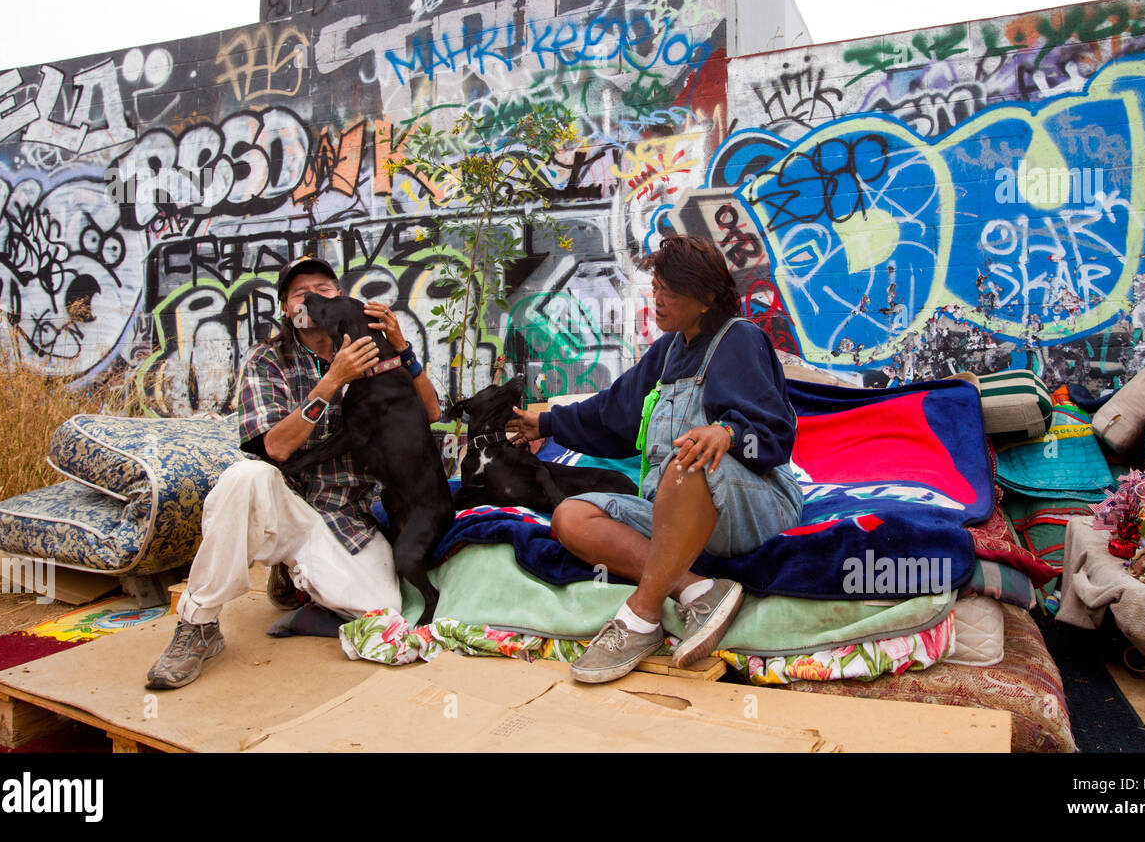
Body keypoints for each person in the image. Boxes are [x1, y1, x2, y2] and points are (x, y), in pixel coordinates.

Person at [507, 236, 802, 683]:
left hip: (753, 505)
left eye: (670, 292)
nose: (657, 300)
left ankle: (641, 618)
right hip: (675, 513)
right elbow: (612, 413)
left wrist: (727, 433)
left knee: (687, 461)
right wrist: (546, 423)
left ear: (705, 299)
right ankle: (698, 590)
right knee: (571, 516)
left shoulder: (739, 340)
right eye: (657, 287)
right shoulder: (668, 352)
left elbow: (776, 432)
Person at [145, 255, 442, 689]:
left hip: (345, 516)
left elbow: (431, 413)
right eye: (300, 293)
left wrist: (403, 350)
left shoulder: (370, 346)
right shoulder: (269, 360)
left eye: (323, 289)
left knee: (383, 612)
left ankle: (294, 574)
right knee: (244, 478)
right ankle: (199, 623)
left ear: (339, 297)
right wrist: (333, 380)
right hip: (285, 504)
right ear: (287, 309)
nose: (312, 298)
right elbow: (276, 447)